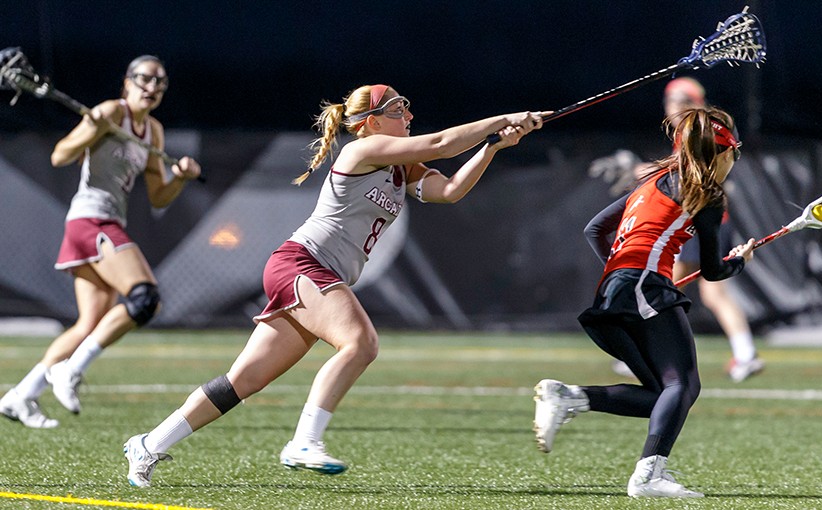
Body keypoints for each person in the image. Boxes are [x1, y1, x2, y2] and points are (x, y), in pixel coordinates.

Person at [122, 84, 545, 487]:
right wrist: (502, 118)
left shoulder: (401, 167)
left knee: (243, 380)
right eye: (398, 109)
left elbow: (449, 190)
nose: (409, 115)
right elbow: (441, 144)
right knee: (361, 343)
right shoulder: (363, 150)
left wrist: (492, 147)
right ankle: (303, 442)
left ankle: (149, 444)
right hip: (303, 262)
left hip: (313, 271)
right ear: (371, 122)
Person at [533, 106, 754, 498]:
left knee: (662, 395)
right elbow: (713, 271)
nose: (734, 162)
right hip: (642, 287)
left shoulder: (652, 183)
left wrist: (623, 274)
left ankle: (569, 396)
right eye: (734, 153)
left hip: (614, 290)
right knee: (683, 385)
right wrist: (739, 260)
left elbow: (595, 229)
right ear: (721, 153)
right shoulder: (707, 194)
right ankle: (649, 477)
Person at [0, 55, 202, 429]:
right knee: (145, 299)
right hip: (91, 218)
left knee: (88, 324)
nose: (152, 87)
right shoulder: (110, 111)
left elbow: (159, 196)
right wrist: (91, 129)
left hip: (106, 222)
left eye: (160, 82)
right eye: (145, 79)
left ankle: (20, 396)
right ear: (127, 81)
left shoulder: (153, 131)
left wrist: (180, 177)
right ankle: (71, 369)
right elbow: (60, 155)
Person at [610, 77, 764, 382]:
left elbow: (678, 173)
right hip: (707, 219)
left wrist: (634, 168)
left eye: (677, 101)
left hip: (694, 221)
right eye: (670, 101)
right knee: (708, 292)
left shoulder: (696, 132)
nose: (670, 107)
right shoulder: (701, 130)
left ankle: (641, 352)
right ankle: (746, 354)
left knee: (667, 286)